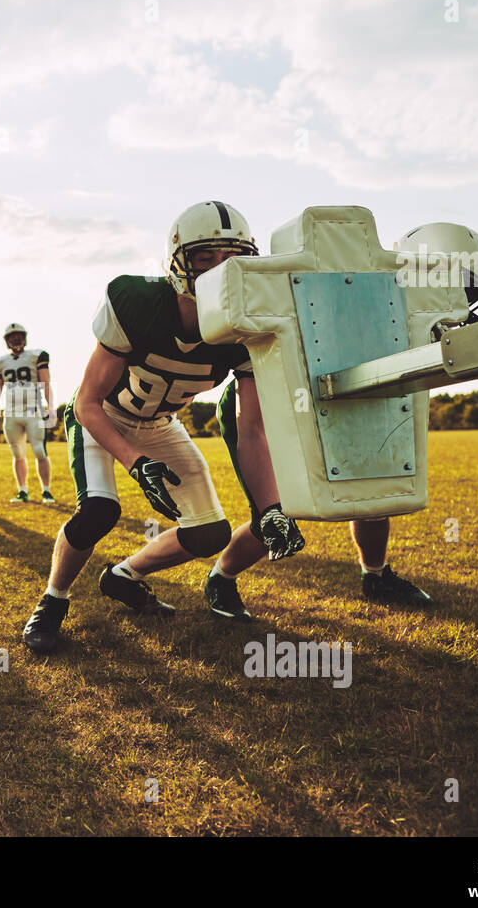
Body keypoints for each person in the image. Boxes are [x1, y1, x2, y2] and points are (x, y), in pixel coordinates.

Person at [22, 201, 302, 654]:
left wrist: (270, 507)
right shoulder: (138, 302)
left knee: (209, 533)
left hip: (159, 422)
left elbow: (251, 430)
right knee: (99, 511)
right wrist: (136, 464)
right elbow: (87, 402)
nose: (217, 270)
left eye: (231, 258)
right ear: (178, 263)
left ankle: (123, 575)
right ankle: (52, 602)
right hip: (104, 416)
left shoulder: (250, 327)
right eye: (204, 258)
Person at [206, 221, 478, 614]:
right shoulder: (356, 289)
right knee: (277, 515)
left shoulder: (397, 300)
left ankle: (375, 576)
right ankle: (220, 579)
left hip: (345, 391)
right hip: (264, 395)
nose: (462, 305)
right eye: (462, 290)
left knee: (374, 490)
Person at [0, 322, 56, 503]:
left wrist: (51, 407)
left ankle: (46, 491)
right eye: (12, 337)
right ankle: (23, 490)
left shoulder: (36, 356)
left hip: (33, 409)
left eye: (19, 337)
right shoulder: (0, 362)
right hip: (11, 412)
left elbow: (45, 383)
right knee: (17, 453)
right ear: (7, 341)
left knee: (39, 450)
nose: (16, 340)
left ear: (24, 338)